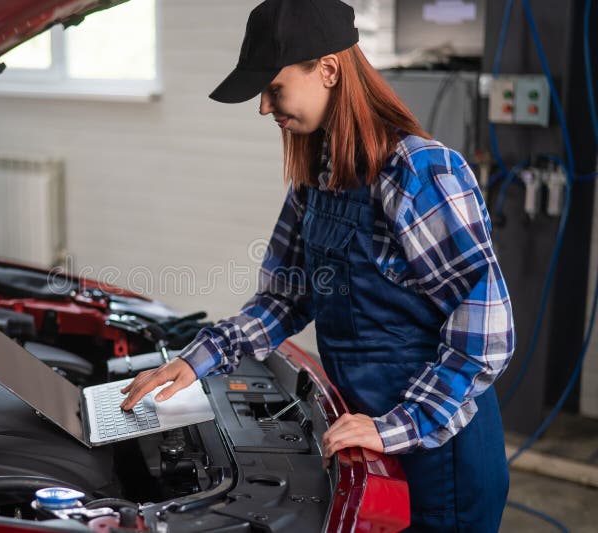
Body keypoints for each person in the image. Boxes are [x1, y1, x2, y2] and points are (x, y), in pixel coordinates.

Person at [120, 0, 514, 530]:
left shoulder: (420, 173)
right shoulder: (318, 174)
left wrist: (402, 424)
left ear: (328, 69)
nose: (264, 108)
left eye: (274, 89)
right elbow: (287, 297)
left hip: (437, 454)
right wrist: (198, 360)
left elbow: (486, 327)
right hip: (365, 436)